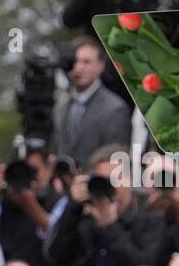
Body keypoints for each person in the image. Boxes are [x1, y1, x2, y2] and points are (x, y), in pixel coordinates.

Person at [45, 144, 166, 266]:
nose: (111, 186)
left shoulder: (150, 221)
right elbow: (57, 258)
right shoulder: (84, 218)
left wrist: (110, 226)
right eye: (104, 180)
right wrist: (73, 207)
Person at [61, 0, 163, 103]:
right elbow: (68, 20)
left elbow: (152, 30)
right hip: (100, 76)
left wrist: (127, 0)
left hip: (135, 75)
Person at [51, 41, 133, 170]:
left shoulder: (115, 109)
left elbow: (117, 160)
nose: (79, 67)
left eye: (86, 62)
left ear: (100, 65)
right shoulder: (60, 109)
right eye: (75, 61)